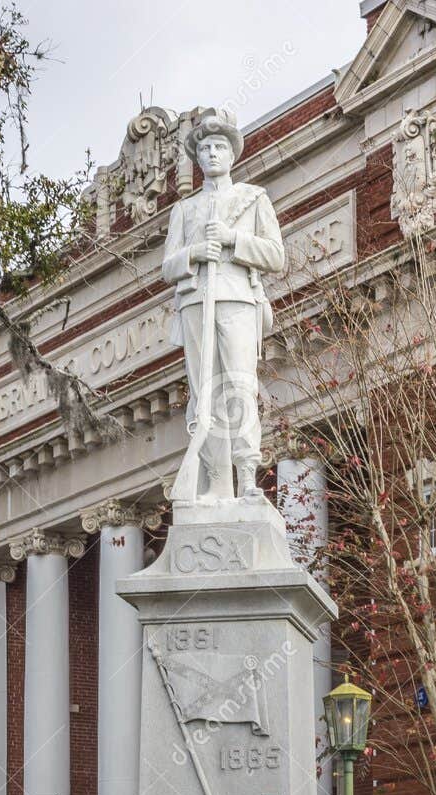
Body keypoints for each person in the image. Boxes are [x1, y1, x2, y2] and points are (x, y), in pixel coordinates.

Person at [160, 109, 285, 504]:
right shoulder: (184, 210)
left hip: (238, 298)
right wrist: (195, 252)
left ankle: (247, 474)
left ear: (231, 156)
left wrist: (233, 240)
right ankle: (215, 482)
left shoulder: (252, 198)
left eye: (219, 147)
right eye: (205, 149)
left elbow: (276, 256)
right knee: (204, 394)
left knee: (239, 386)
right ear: (197, 160)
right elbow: (168, 266)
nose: (213, 153)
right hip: (197, 301)